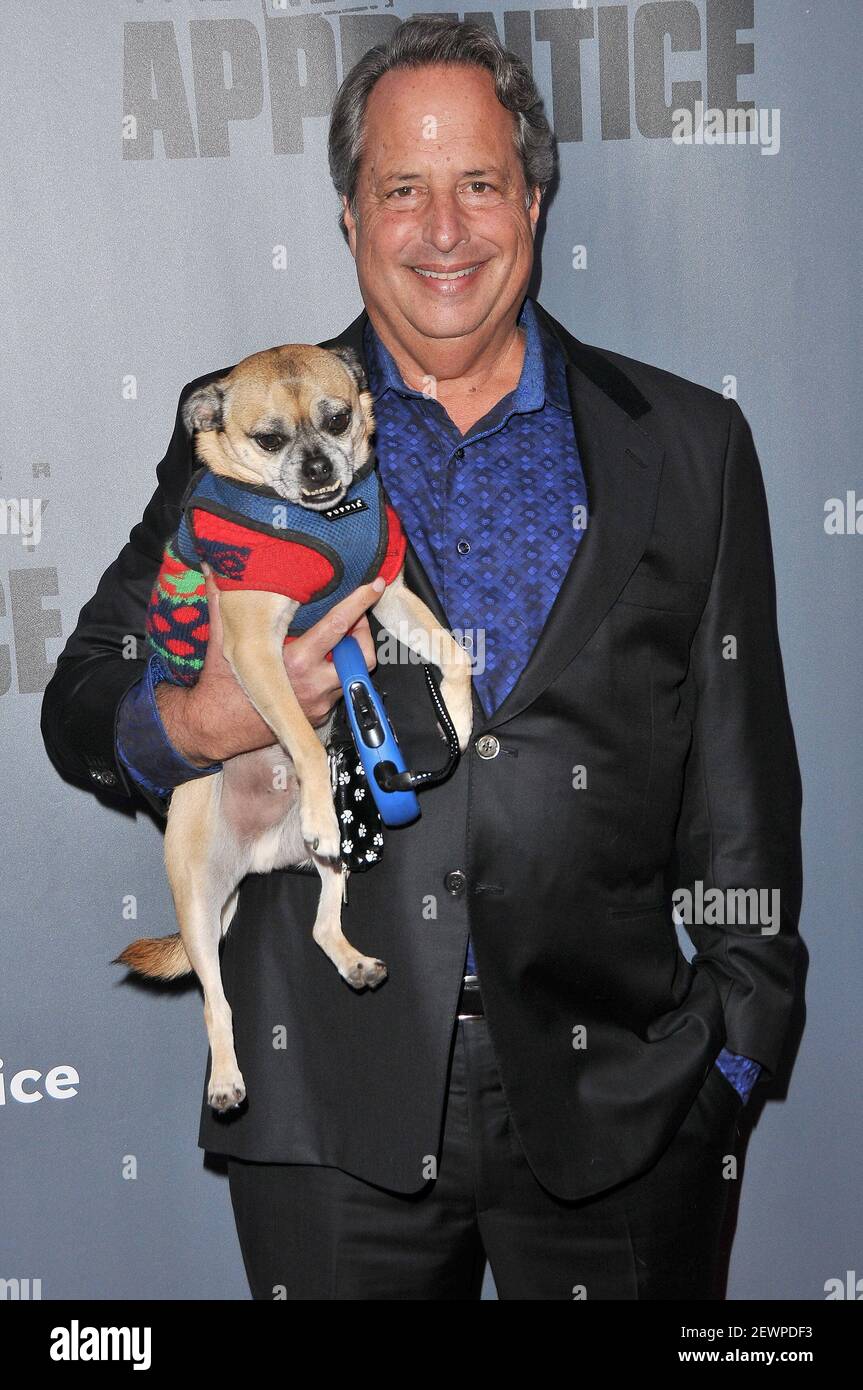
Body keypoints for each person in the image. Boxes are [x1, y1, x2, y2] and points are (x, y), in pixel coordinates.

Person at [41, 16, 802, 1300]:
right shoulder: (244, 432)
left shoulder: (685, 443)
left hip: (622, 1104)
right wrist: (202, 720)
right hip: (328, 1116)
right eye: (402, 188)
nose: (442, 229)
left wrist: (730, 1058)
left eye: (478, 184)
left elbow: (742, 790)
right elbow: (82, 699)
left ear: (534, 197)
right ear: (349, 215)